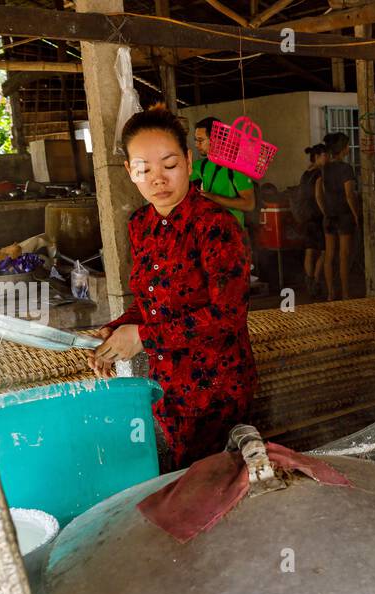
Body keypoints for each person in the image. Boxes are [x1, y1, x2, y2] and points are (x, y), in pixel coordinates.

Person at [89, 105, 257, 471]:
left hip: (215, 390)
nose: (158, 179)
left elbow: (228, 315)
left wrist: (144, 338)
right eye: (143, 169)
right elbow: (149, 302)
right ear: (129, 171)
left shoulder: (216, 226)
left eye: (169, 165)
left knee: (214, 489)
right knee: (176, 483)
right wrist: (119, 328)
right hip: (167, 389)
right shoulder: (140, 225)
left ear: (189, 160)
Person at [190, 117, 257, 229]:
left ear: (216, 140)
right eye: (195, 140)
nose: (196, 145)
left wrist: (212, 197)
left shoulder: (237, 167)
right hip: (212, 232)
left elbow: (249, 204)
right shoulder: (202, 165)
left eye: (200, 140)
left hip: (234, 234)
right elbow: (177, 179)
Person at [316, 132, 359, 301]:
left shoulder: (324, 168)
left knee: (329, 256)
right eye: (347, 145)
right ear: (342, 149)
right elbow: (350, 195)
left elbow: (319, 195)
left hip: (329, 216)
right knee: (343, 256)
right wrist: (356, 215)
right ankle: (346, 293)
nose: (349, 148)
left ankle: (330, 293)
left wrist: (325, 211)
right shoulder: (346, 169)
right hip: (343, 216)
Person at [295, 143, 327, 297]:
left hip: (305, 216)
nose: (326, 158)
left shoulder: (305, 174)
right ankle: (316, 281)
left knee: (309, 250)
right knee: (324, 251)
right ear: (318, 157)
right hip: (316, 216)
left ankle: (309, 281)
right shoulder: (319, 174)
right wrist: (326, 213)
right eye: (324, 155)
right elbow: (318, 196)